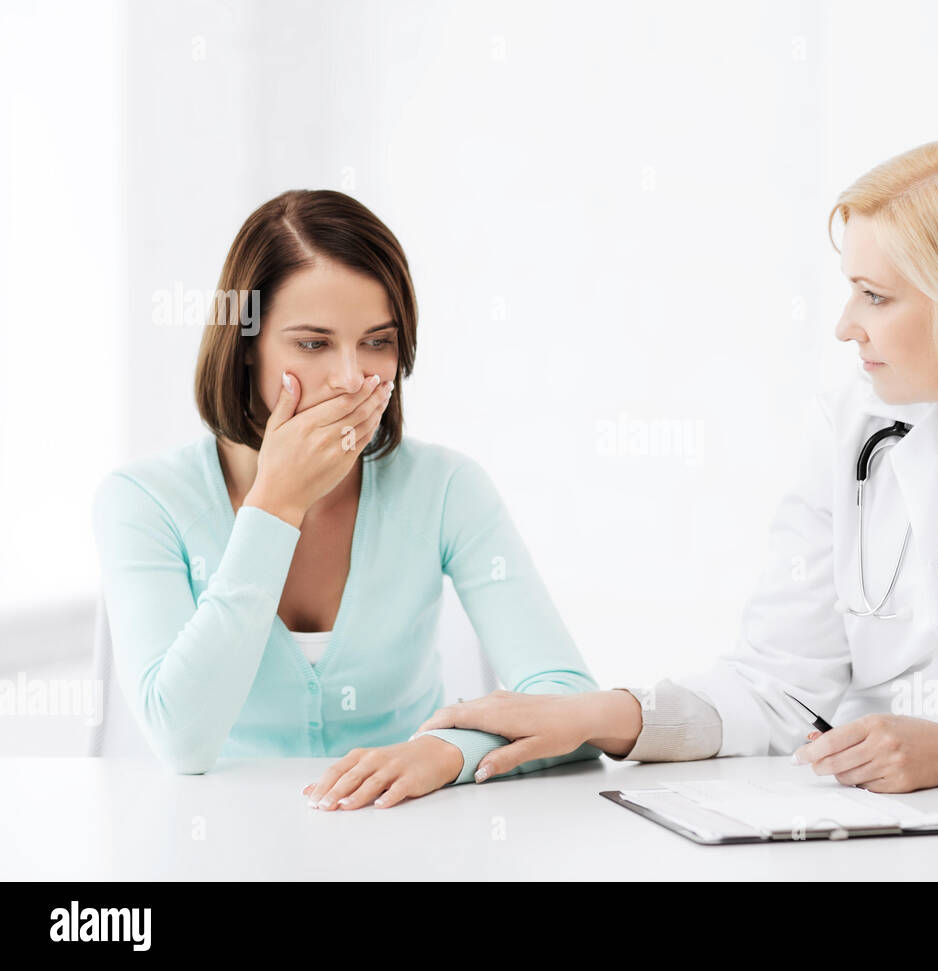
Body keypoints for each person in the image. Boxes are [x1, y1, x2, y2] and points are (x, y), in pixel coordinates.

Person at [415, 138, 938, 793]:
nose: (847, 326)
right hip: (881, 832)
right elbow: (780, 687)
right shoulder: (860, 424)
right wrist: (610, 715)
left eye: (875, 296)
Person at [92, 189, 601, 808]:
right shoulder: (143, 500)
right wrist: (275, 503)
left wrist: (444, 754)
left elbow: (571, 705)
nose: (351, 377)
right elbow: (183, 741)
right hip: (218, 846)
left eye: (377, 342)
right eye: (312, 344)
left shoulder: (445, 488)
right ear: (245, 345)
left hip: (406, 837)